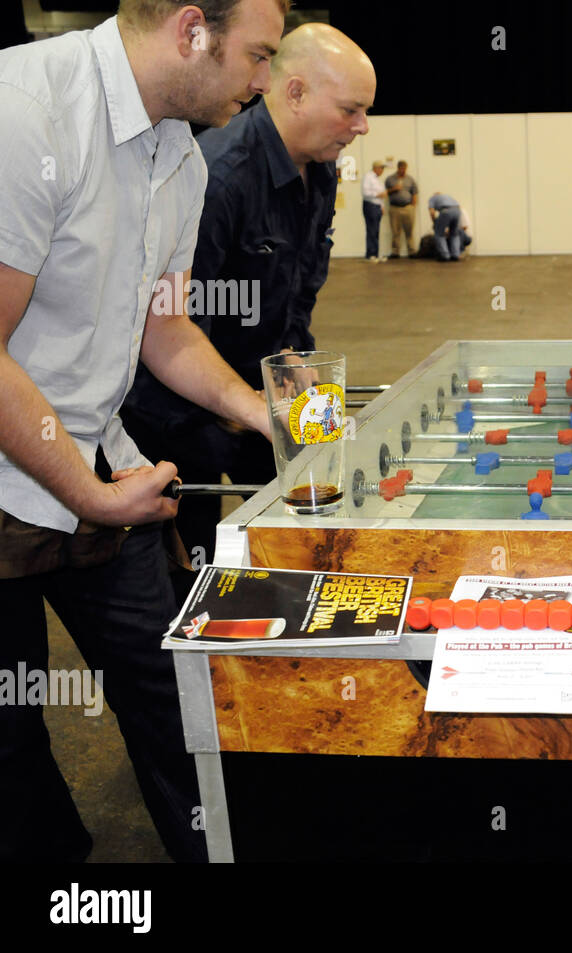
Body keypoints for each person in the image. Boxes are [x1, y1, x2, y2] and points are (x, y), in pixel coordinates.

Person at [0, 0, 289, 862]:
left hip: (92, 461)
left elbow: (163, 328)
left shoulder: (181, 159)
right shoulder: (29, 111)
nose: (265, 81)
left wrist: (261, 413)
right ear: (192, 30)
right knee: (13, 744)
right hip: (27, 473)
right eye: (260, 55)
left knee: (176, 700)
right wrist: (90, 493)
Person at [122, 21, 375, 593]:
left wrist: (292, 359)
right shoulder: (218, 177)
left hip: (263, 400)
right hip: (181, 414)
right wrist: (244, 406)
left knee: (314, 535)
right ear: (297, 93)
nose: (362, 126)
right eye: (351, 109)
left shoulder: (321, 167)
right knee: (200, 579)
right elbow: (171, 327)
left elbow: (298, 287)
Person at [385, 159, 418, 258]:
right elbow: (385, 192)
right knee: (395, 231)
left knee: (409, 231)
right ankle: (395, 252)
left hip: (408, 208)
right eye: (402, 168)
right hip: (395, 208)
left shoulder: (410, 179)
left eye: (405, 168)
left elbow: (415, 192)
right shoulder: (390, 179)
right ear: (398, 168)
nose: (403, 170)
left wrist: (413, 206)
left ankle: (411, 251)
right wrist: (394, 189)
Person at [361, 159, 387, 261]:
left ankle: (375, 253)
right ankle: (371, 254)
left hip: (377, 207)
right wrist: (378, 195)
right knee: (371, 230)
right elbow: (365, 192)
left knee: (376, 231)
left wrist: (382, 206)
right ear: (376, 168)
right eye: (382, 168)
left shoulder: (377, 179)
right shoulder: (368, 177)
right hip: (370, 206)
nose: (382, 171)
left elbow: (382, 195)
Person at [427, 192, 463, 261]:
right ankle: (455, 255)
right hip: (457, 211)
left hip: (446, 211)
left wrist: (435, 222)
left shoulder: (432, 198)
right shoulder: (448, 196)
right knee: (454, 234)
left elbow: (432, 212)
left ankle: (445, 255)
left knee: (439, 234)